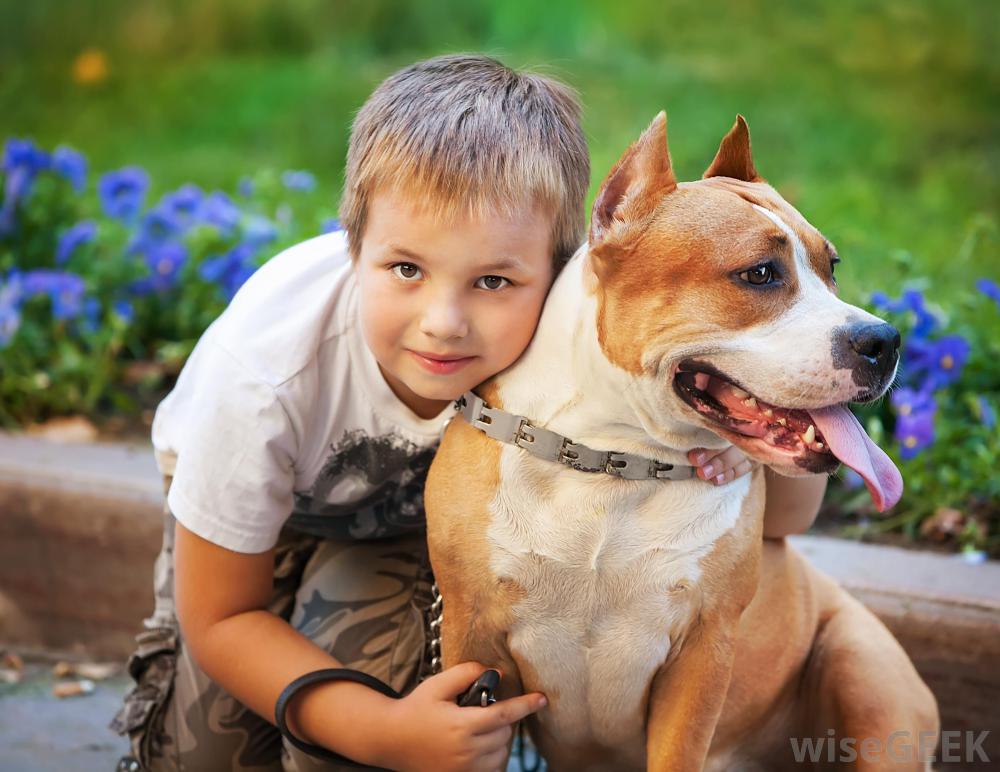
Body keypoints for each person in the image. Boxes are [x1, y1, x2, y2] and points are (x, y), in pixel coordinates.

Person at [111, 53, 825, 772]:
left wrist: (744, 431)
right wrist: (375, 731)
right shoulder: (264, 371)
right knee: (203, 757)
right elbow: (222, 616)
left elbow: (789, 523)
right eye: (405, 269)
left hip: (401, 541)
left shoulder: (571, 327)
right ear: (352, 247)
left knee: (374, 720)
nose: (444, 322)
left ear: (565, 267)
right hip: (242, 535)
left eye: (492, 280)